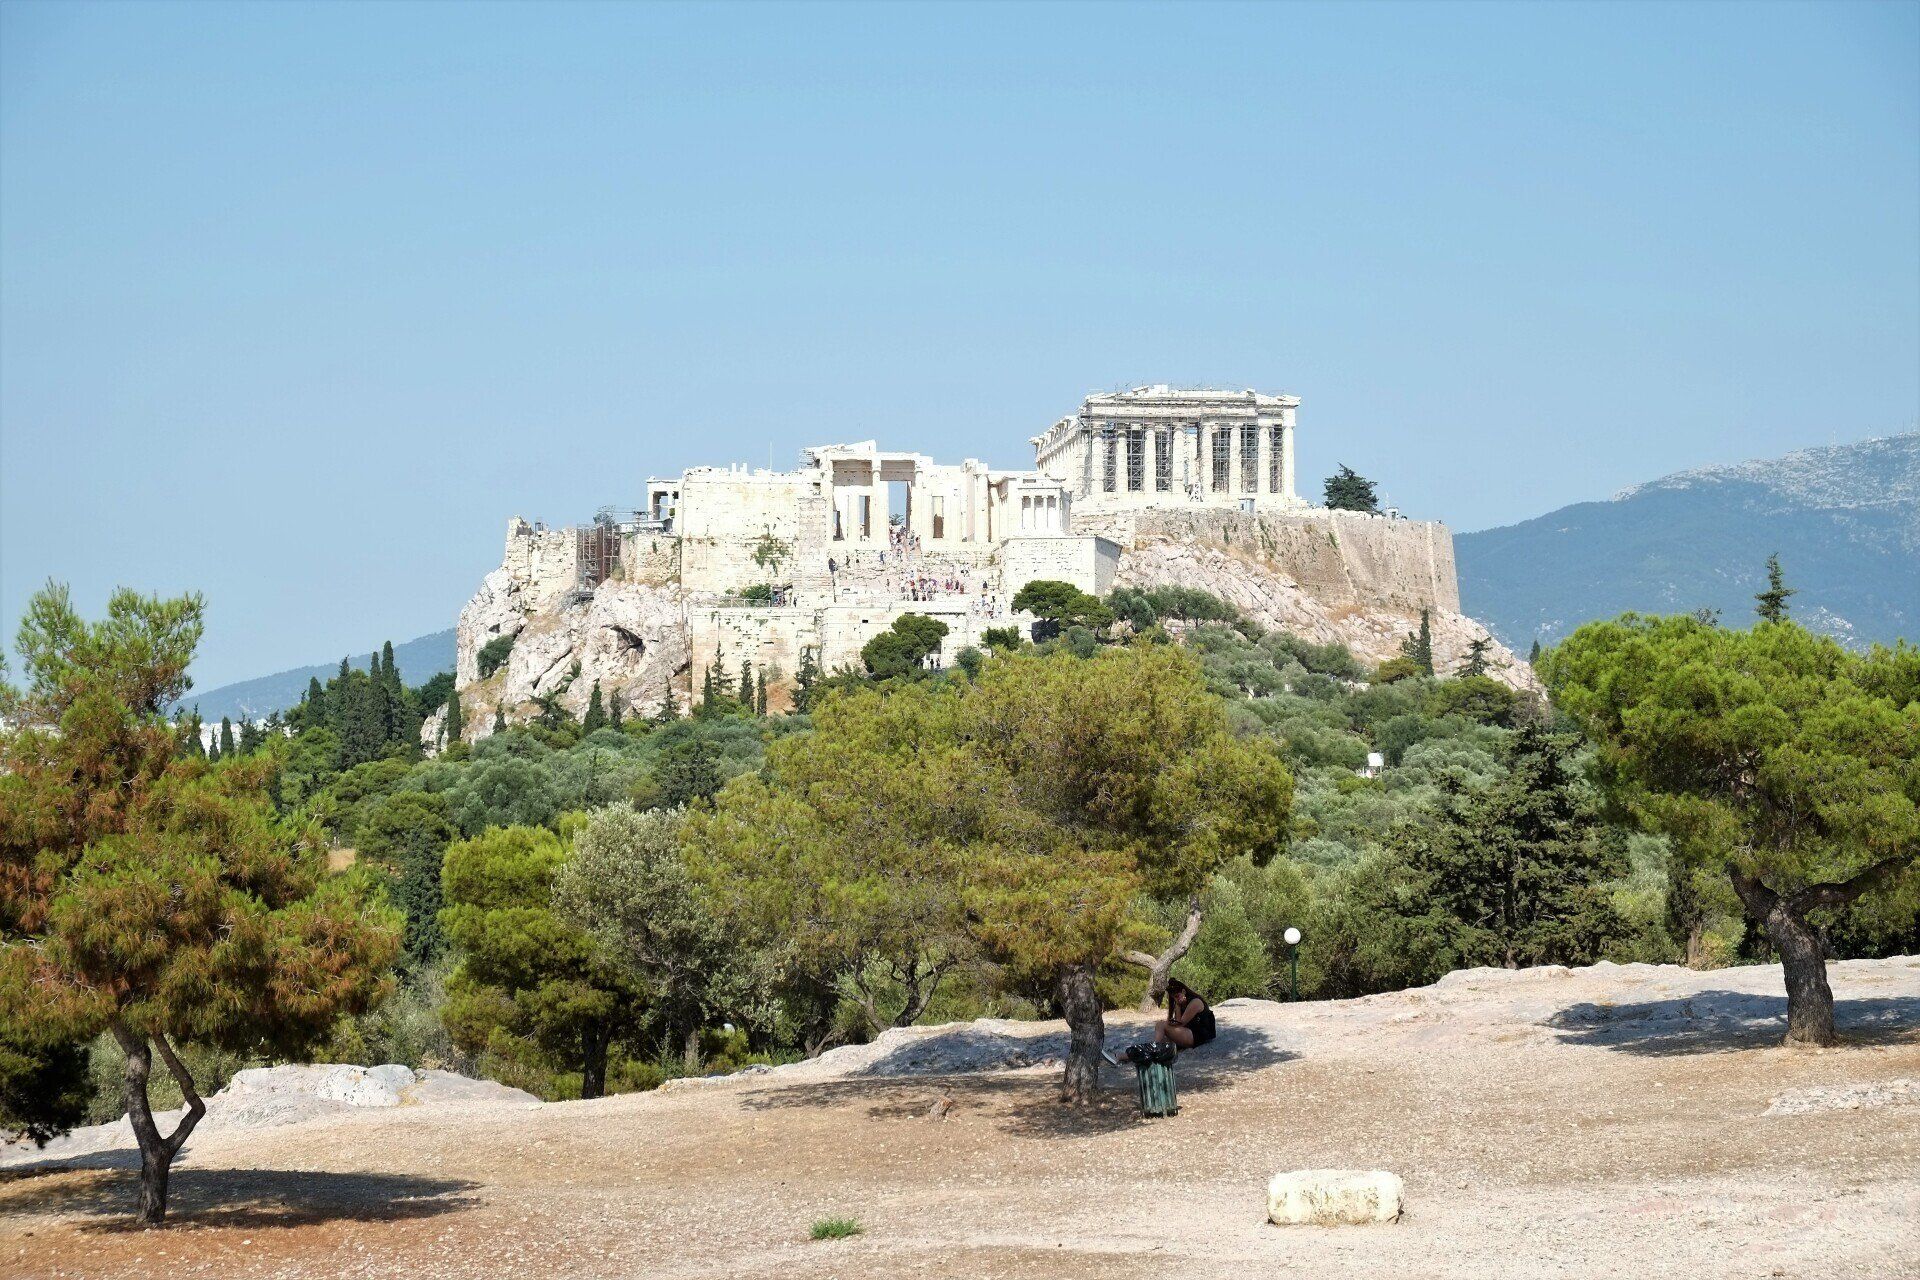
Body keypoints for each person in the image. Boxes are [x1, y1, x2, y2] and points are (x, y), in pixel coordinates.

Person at [1102, 978, 1215, 1065]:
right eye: (1174, 998)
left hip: (1197, 1036)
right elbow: (1177, 1023)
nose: (1176, 999)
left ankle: (1151, 1047)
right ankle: (1122, 1056)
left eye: (1177, 996)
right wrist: (1177, 1007)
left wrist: (1177, 1009)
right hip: (1188, 1034)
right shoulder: (1181, 1004)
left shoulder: (1195, 1002)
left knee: (1161, 1026)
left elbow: (1181, 1023)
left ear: (1184, 991)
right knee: (1161, 1045)